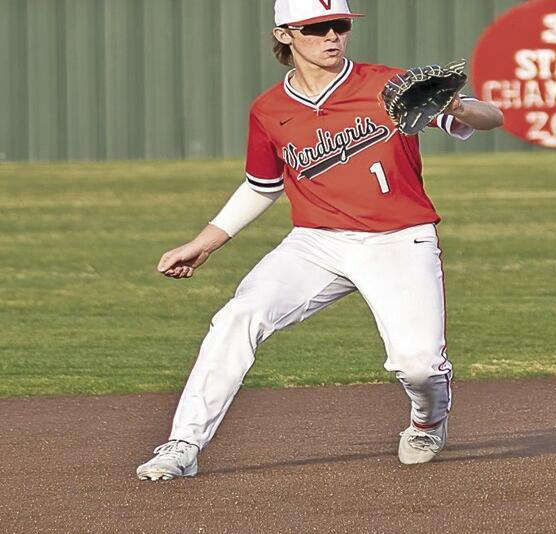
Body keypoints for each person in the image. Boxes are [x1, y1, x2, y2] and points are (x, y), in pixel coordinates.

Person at [135, 0, 504, 481]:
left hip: (399, 239)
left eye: (340, 25)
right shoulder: (269, 110)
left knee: (418, 367)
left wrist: (458, 106)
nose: (332, 36)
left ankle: (428, 420)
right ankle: (183, 443)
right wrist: (205, 242)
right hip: (316, 242)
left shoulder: (387, 84)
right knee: (238, 317)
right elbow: (261, 186)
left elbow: (491, 117)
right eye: (317, 28)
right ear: (286, 34)